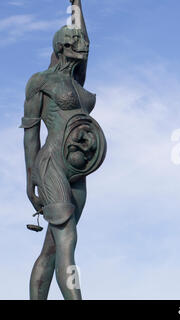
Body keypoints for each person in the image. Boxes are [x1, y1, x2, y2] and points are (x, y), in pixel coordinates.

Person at [21, 0, 106, 300]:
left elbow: (85, 36)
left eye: (81, 42)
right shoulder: (41, 83)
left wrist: (76, 4)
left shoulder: (77, 80)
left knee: (53, 248)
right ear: (60, 48)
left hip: (78, 170)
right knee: (68, 241)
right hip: (51, 167)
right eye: (74, 42)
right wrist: (31, 178)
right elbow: (31, 136)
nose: (82, 46)